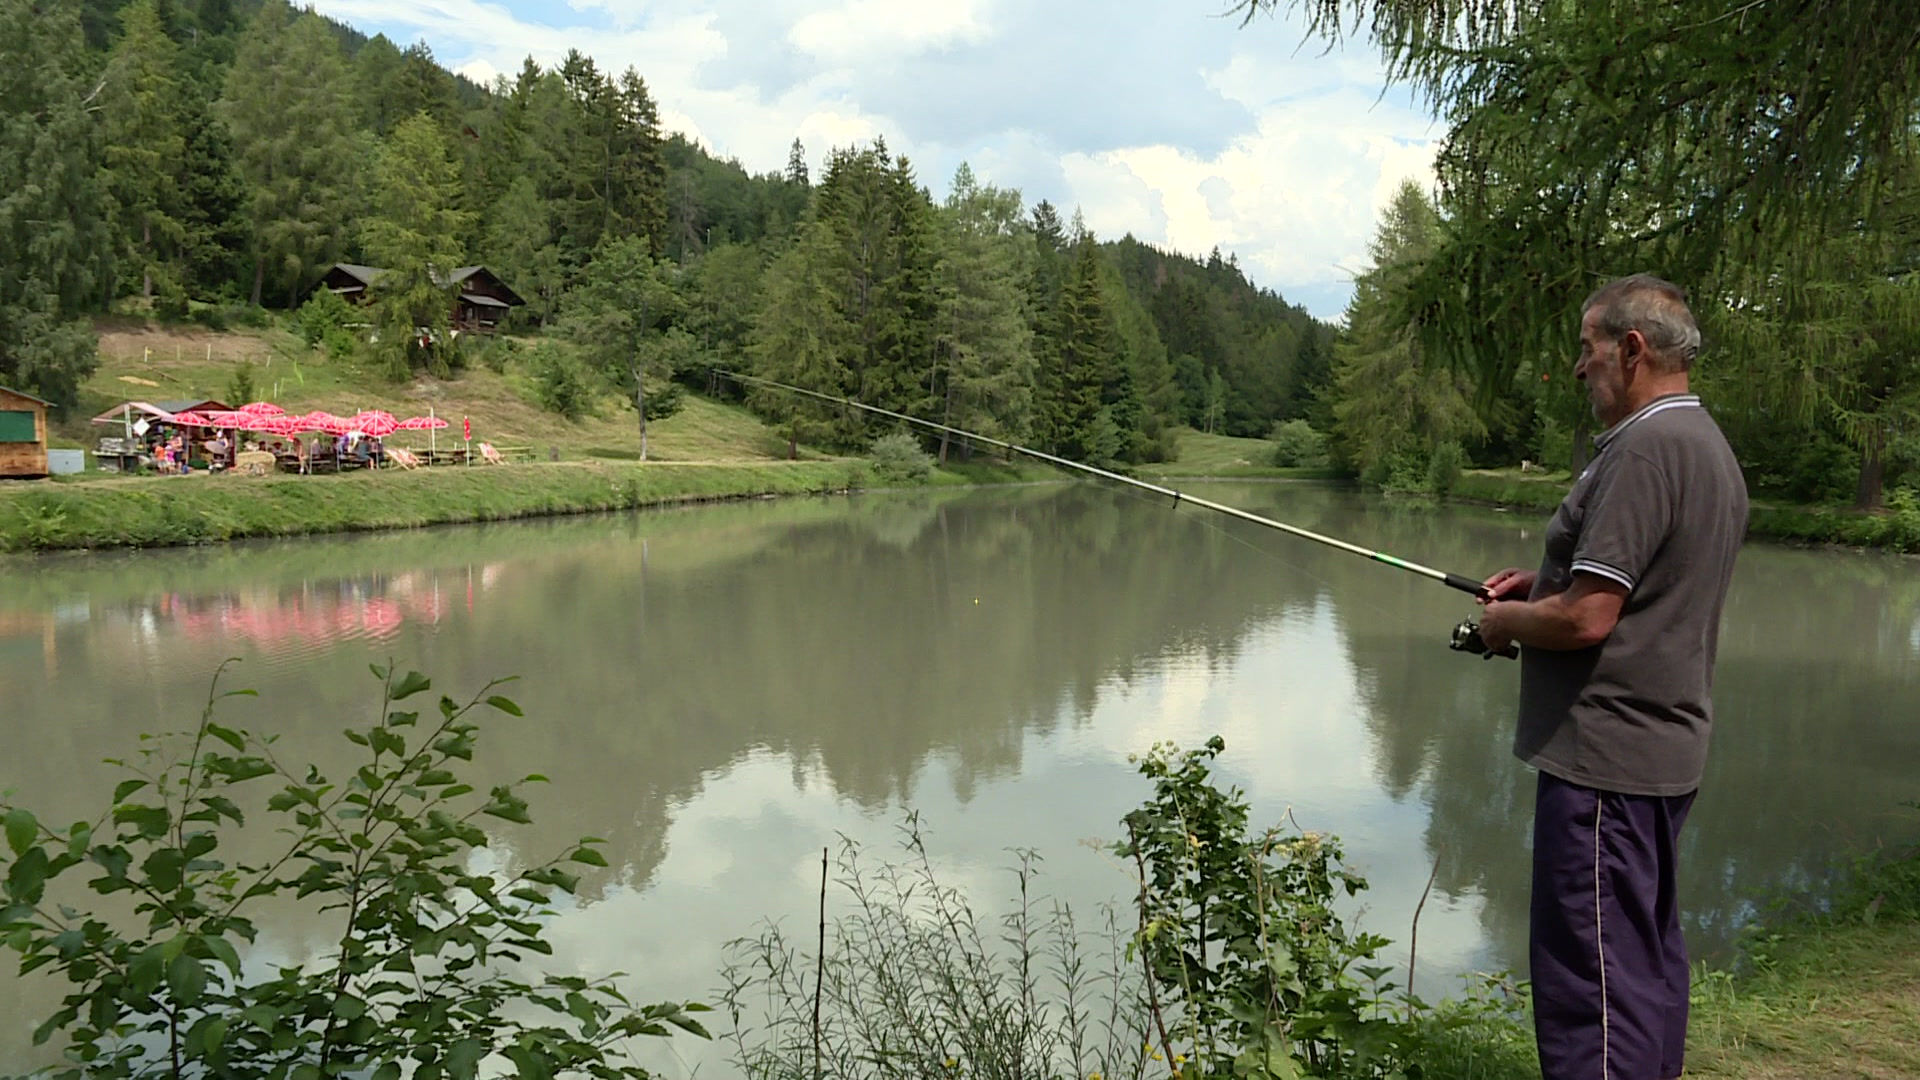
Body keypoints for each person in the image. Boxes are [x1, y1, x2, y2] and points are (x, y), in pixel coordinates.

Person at [1477, 274, 1749, 1080]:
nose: (1577, 367)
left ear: (1631, 350)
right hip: (1659, 755)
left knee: (1592, 991)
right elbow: (1632, 590)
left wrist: (1506, 624)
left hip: (1605, 768)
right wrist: (1544, 584)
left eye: (1587, 348)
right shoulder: (1702, 444)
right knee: (1645, 972)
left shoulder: (1645, 449)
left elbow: (1587, 619)